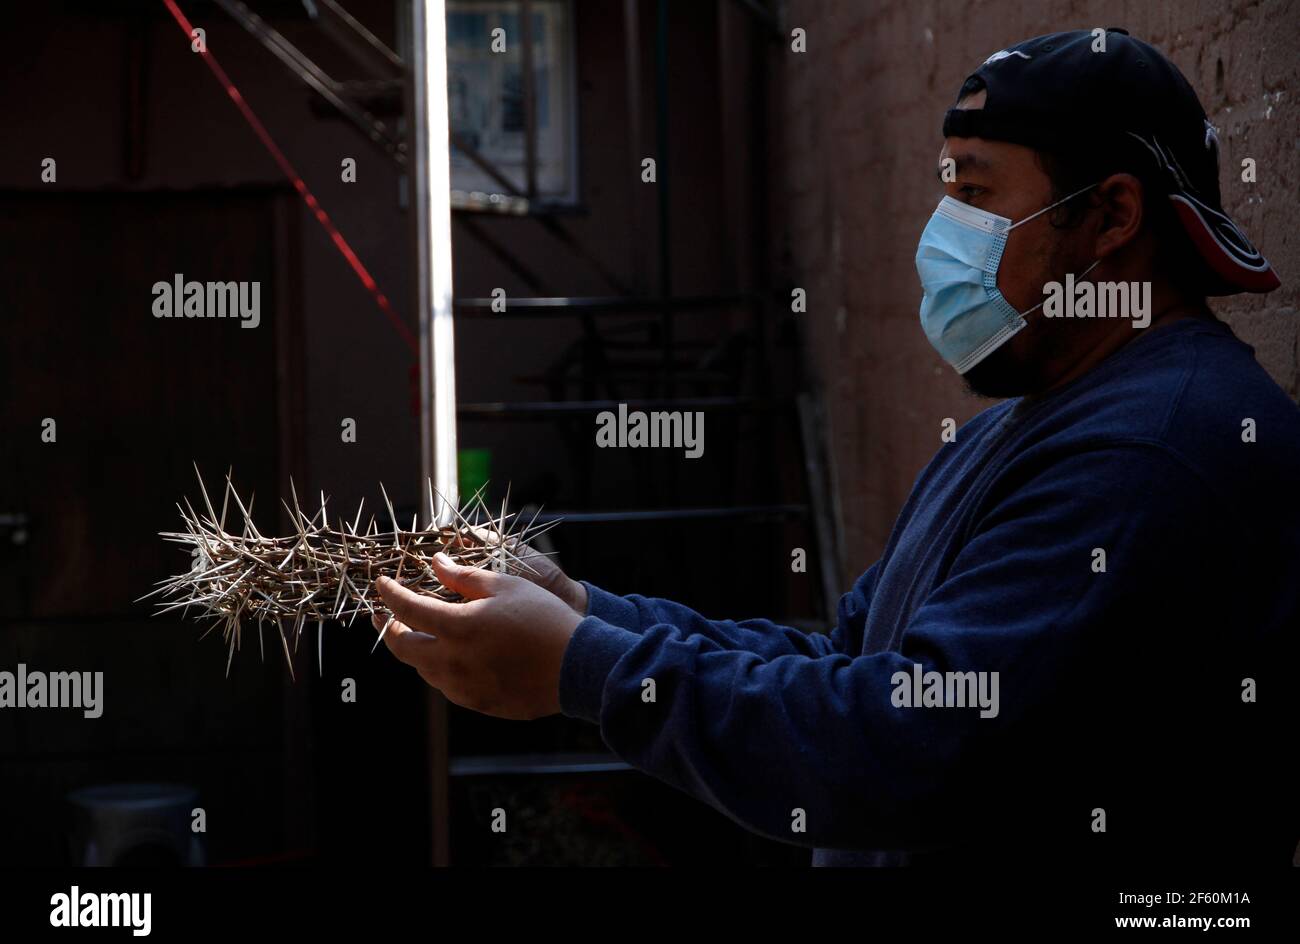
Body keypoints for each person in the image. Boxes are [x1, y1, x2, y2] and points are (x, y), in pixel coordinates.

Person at [373, 29, 1299, 866]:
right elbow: (849, 663)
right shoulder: (1018, 428)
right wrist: (586, 610)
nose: (943, 235)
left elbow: (902, 746)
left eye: (976, 193)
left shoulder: (1149, 453)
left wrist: (584, 669)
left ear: (1112, 217)